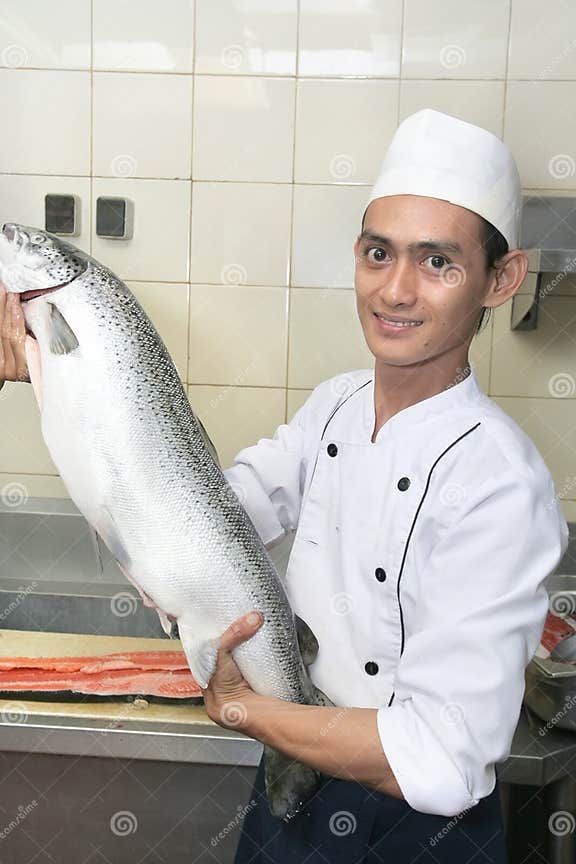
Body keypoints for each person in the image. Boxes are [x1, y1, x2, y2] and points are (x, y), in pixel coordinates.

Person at [198, 110, 569, 863]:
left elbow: (443, 755)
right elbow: (217, 514)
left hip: (419, 834)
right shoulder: (334, 401)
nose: (395, 291)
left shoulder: (501, 482)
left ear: (501, 279)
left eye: (438, 263)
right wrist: (62, 378)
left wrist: (245, 709)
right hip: (292, 791)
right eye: (379, 253)